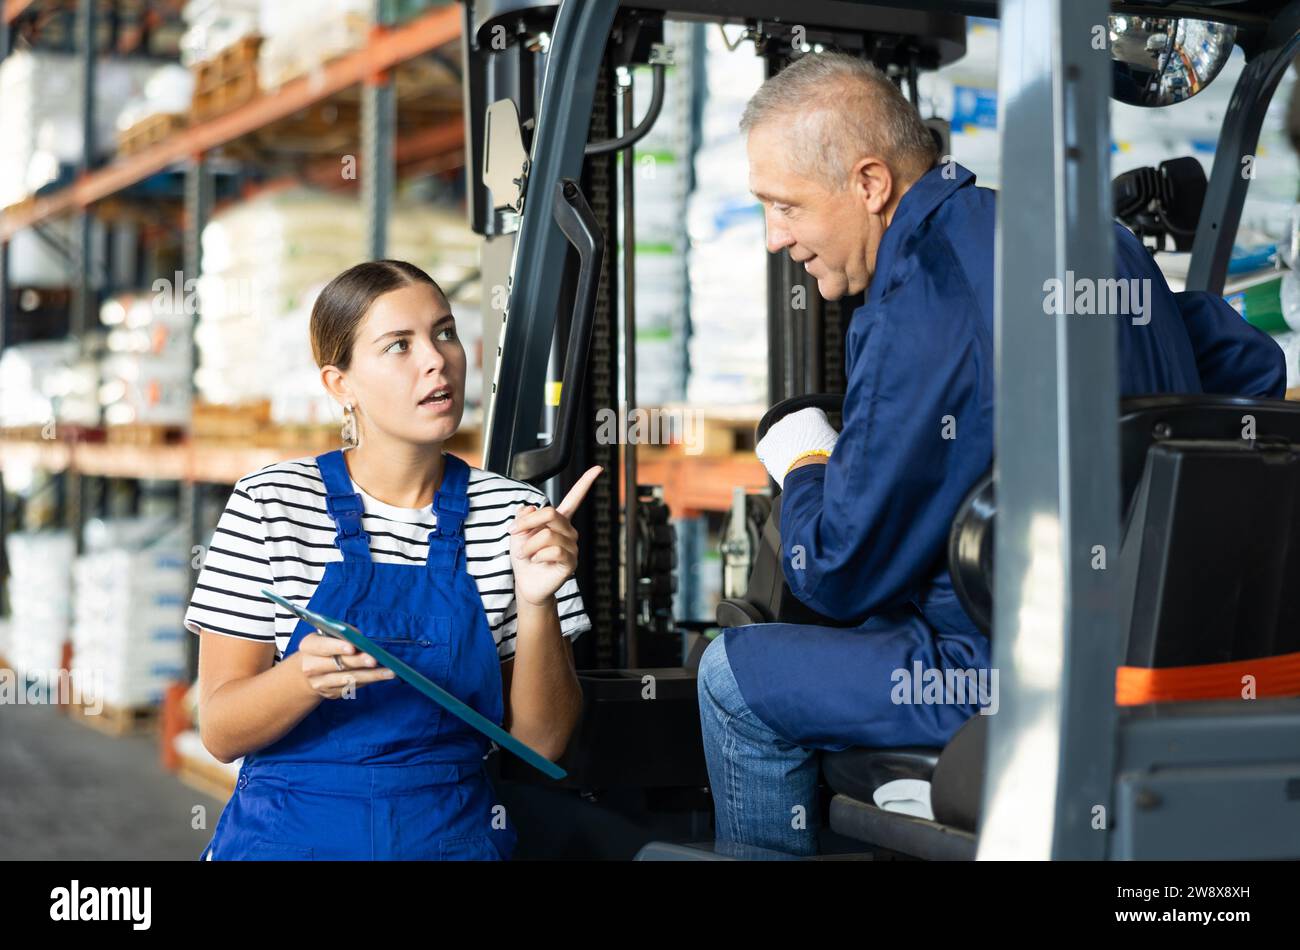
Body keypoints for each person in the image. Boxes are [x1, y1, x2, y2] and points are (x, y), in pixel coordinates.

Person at [697, 52, 1286, 857]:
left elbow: (835, 573)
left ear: (870, 184)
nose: (774, 237)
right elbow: (1252, 367)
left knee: (731, 677)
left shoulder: (917, 310)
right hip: (1150, 649)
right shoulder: (1099, 242)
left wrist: (804, 460)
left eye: (784, 206)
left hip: (997, 671)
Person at [184, 259, 600, 860]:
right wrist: (301, 679)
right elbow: (221, 731)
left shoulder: (515, 516)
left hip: (451, 840)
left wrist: (538, 602)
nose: (436, 360)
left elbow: (542, 742)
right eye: (398, 346)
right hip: (287, 840)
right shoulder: (271, 502)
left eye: (445, 332)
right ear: (339, 385)